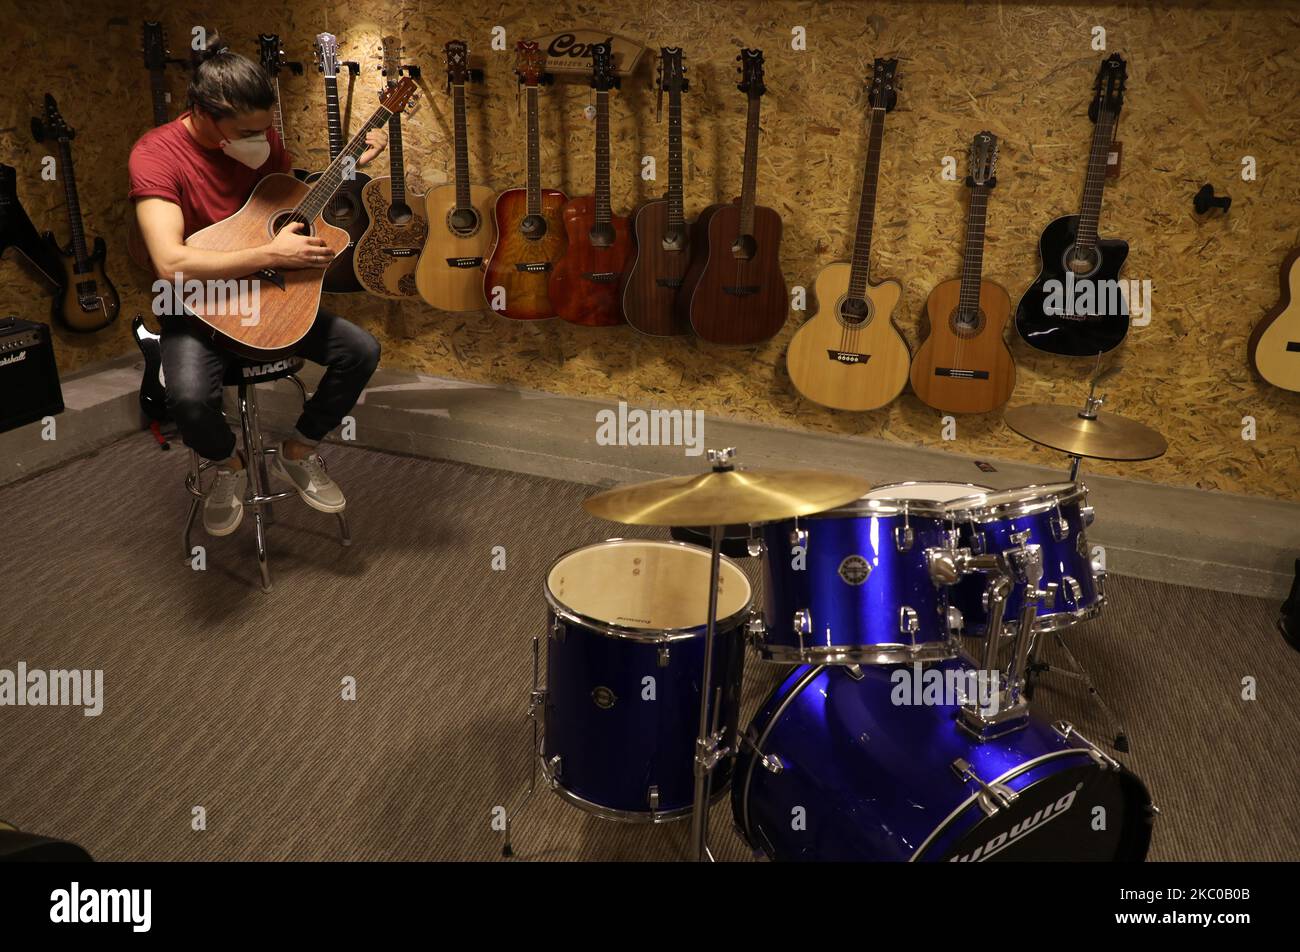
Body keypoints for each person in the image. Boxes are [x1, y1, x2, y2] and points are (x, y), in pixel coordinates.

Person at [129, 39, 385, 536]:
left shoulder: (260, 144)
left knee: (361, 350)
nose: (260, 140)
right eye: (247, 131)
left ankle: (300, 449)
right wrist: (273, 255)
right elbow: (169, 261)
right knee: (187, 402)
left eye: (265, 128)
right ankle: (229, 466)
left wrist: (348, 170)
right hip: (197, 311)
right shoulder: (156, 155)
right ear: (203, 112)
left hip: (266, 304)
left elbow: (283, 206)